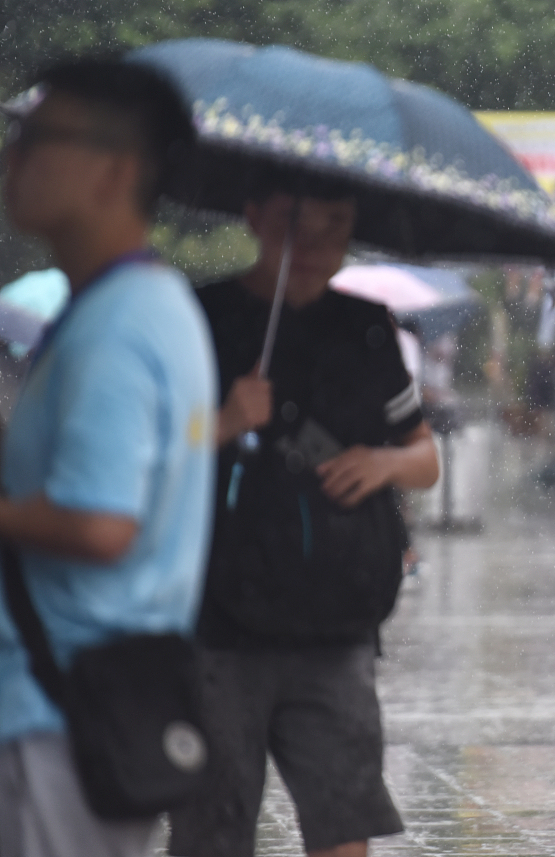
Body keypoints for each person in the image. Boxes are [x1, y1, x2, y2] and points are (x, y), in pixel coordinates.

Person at [167, 181, 440, 857]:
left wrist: (381, 462)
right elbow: (148, 454)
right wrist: (225, 421)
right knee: (212, 829)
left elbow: (425, 457)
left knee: (344, 824)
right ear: (253, 215)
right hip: (220, 626)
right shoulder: (200, 318)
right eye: (297, 222)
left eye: (335, 224)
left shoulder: (367, 328)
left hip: (338, 625)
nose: (316, 242)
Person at [0, 60, 216, 857]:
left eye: (38, 139)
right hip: (94, 697)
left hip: (57, 707)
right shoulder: (142, 303)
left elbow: (99, 523)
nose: (14, 158)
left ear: (115, 171)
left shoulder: (117, 326)